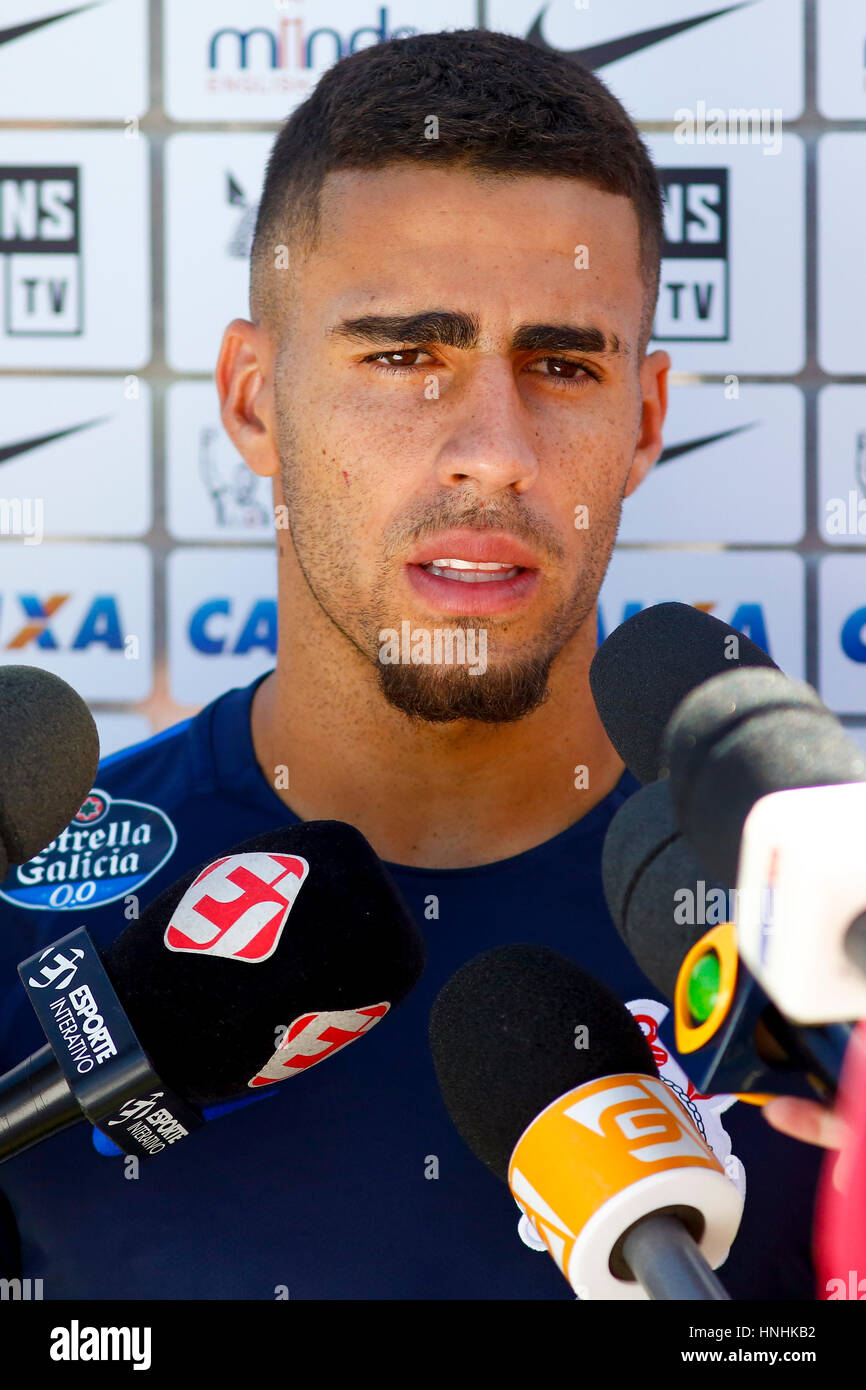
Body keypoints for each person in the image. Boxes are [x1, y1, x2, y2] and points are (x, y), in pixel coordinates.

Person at [0, 28, 824, 1301]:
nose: (491, 450)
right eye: (402, 358)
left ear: (644, 419)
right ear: (254, 399)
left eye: (560, 365)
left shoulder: (831, 951)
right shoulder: (26, 929)